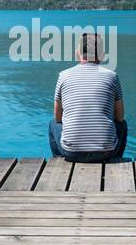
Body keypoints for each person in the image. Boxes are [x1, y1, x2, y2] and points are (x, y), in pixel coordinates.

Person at [48, 32, 126, 163]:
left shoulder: (63, 76)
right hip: (105, 153)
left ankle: (60, 161)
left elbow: (57, 117)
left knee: (52, 124)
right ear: (101, 54)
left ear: (77, 53)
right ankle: (115, 159)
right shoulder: (112, 76)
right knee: (122, 125)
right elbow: (120, 117)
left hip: (71, 153)